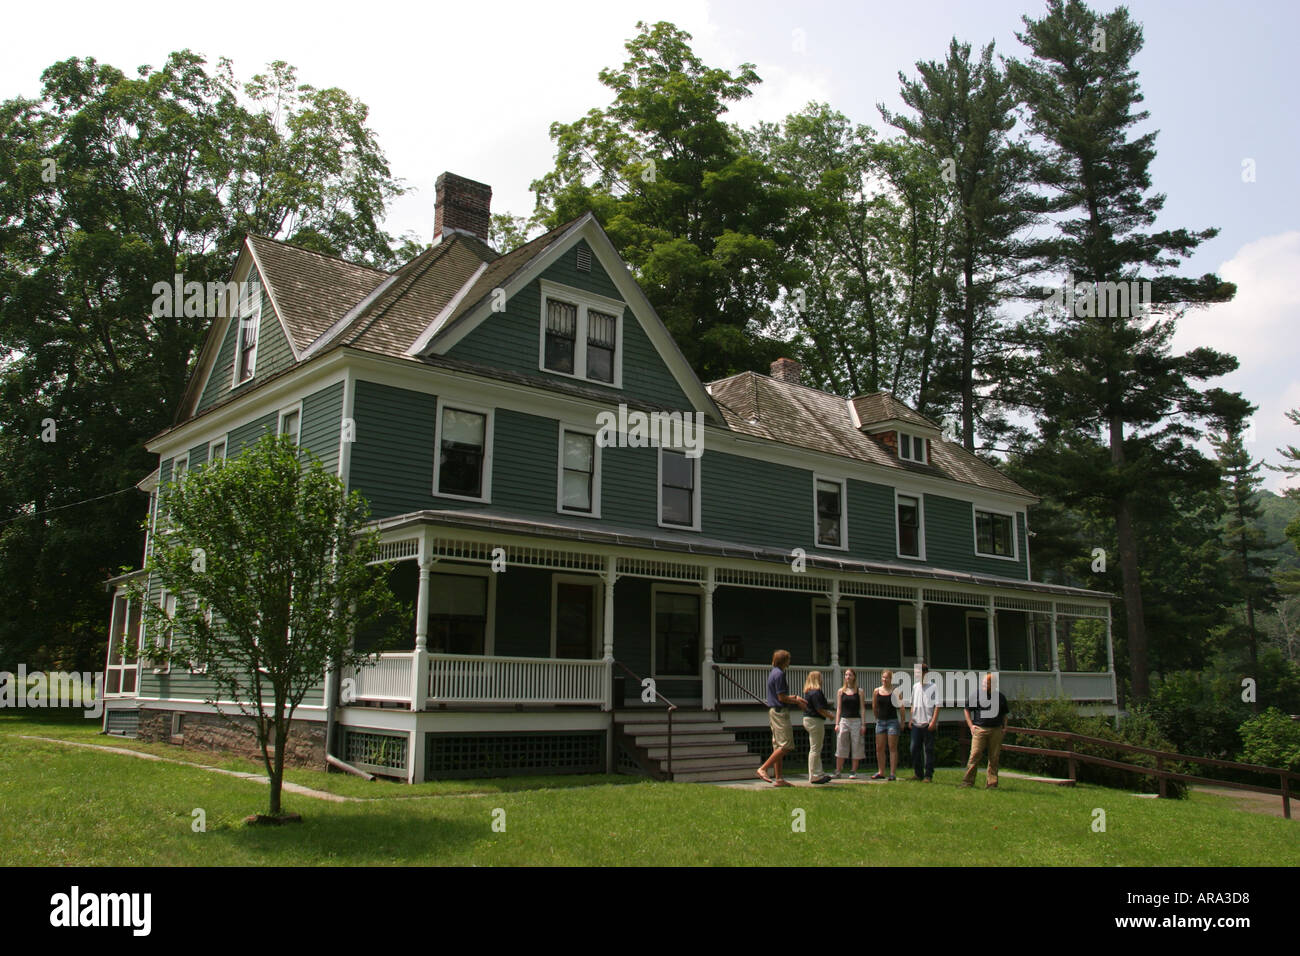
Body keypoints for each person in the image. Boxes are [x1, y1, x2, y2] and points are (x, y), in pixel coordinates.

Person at [758, 649, 805, 786]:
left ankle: (779, 779)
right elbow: (781, 697)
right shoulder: (779, 675)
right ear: (784, 661)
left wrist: (795, 698)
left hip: (773, 711)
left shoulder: (774, 673)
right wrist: (796, 701)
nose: (789, 662)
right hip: (779, 712)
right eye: (788, 659)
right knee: (786, 745)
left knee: (778, 745)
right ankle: (763, 768)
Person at [960, 673, 1009, 789]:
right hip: (980, 729)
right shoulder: (976, 695)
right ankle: (967, 782)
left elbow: (1005, 714)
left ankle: (992, 783)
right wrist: (971, 726)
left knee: (994, 757)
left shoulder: (1000, 697)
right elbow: (966, 710)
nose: (984, 685)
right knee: (975, 755)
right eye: (983, 683)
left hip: (996, 730)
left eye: (987, 683)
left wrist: (1005, 727)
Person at [905, 665, 940, 782]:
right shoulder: (915, 687)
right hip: (916, 723)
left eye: (919, 672)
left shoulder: (933, 687)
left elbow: (937, 705)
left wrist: (933, 721)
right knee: (914, 748)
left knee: (928, 750)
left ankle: (928, 775)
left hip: (928, 723)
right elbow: (912, 704)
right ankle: (918, 773)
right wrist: (911, 718)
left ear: (925, 673)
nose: (917, 675)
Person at [801, 671, 834, 785]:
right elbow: (820, 709)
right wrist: (830, 715)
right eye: (820, 677)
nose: (822, 680)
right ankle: (813, 775)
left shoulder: (808, 692)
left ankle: (819, 773)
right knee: (815, 748)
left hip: (808, 719)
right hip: (815, 720)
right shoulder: (816, 692)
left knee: (816, 747)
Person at [833, 668, 867, 777]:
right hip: (844, 720)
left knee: (856, 744)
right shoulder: (840, 691)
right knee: (841, 744)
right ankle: (838, 770)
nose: (848, 677)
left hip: (856, 720)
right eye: (846, 675)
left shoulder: (859, 691)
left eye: (850, 675)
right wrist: (837, 723)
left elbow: (862, 708)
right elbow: (838, 708)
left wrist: (863, 724)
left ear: (854, 677)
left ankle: (853, 771)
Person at [871, 669, 902, 780]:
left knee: (892, 747)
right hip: (880, 721)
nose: (884, 679)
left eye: (887, 678)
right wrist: (877, 718)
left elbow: (901, 708)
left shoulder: (895, 691)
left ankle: (892, 773)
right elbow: (874, 706)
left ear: (891, 679)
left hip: (892, 721)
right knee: (879, 748)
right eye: (883, 677)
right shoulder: (876, 691)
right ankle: (881, 771)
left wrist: (902, 722)